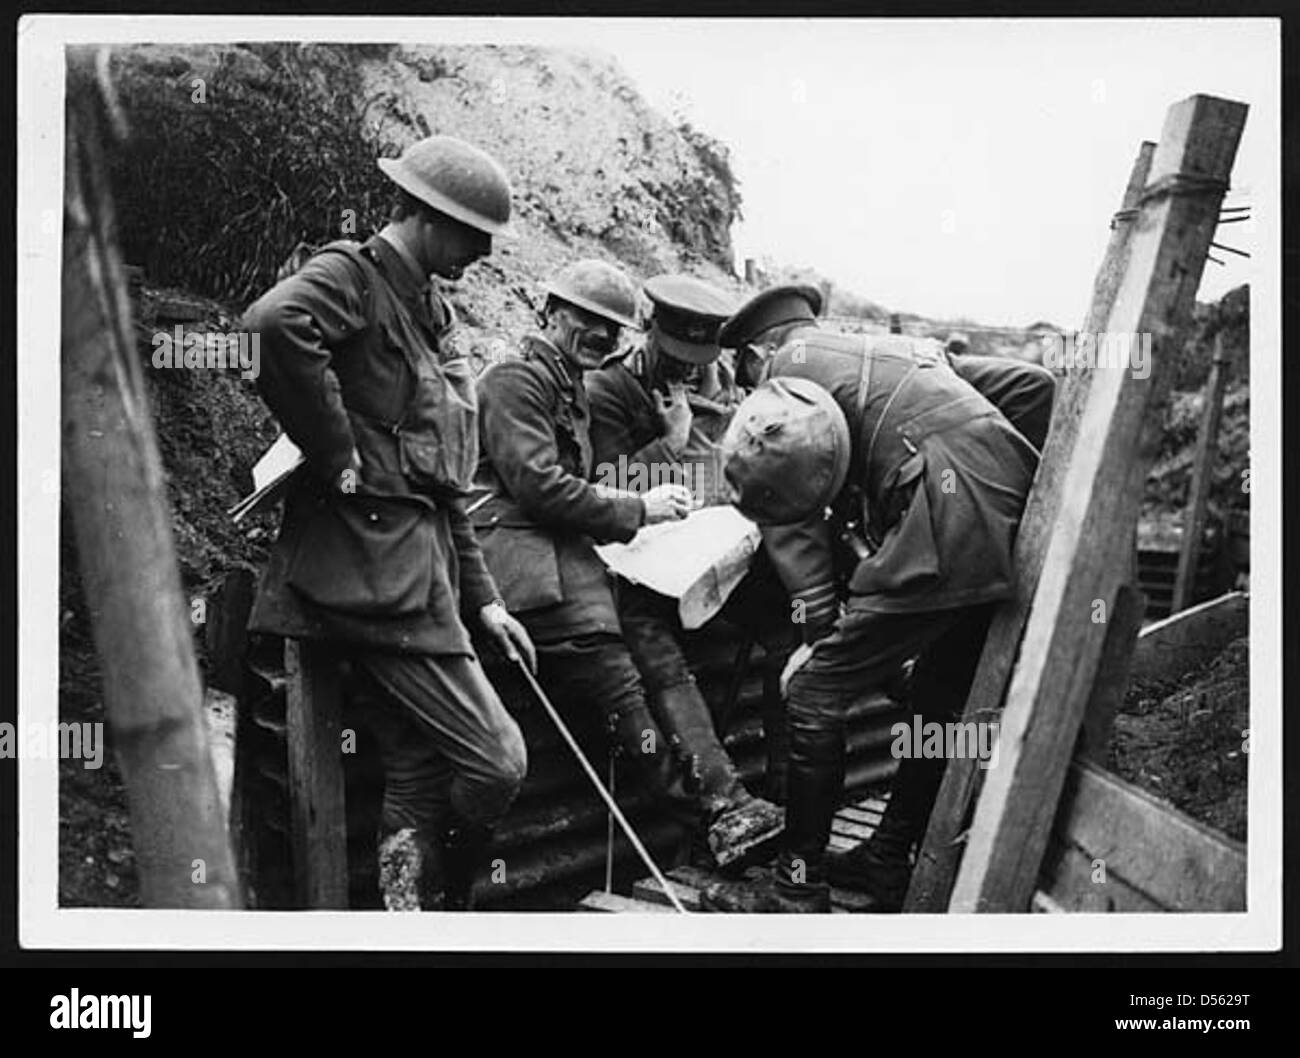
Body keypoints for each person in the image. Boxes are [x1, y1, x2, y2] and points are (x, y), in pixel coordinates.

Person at [243, 134, 534, 911]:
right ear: (432, 218)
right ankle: (447, 910)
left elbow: (444, 489)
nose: (481, 254)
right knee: (498, 760)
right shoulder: (353, 276)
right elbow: (272, 328)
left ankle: (406, 919)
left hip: (418, 573)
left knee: (417, 764)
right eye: (475, 236)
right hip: (366, 571)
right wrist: (335, 450)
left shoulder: (428, 308)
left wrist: (488, 601)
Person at [698, 286, 1055, 912]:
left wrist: (816, 642)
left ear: (758, 353)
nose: (745, 390)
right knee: (939, 690)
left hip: (943, 527)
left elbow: (796, 526)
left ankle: (797, 887)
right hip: (1001, 518)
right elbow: (1032, 387)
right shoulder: (892, 351)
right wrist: (1026, 495)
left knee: (813, 693)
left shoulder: (784, 385)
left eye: (742, 373)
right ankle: (889, 855)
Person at [471, 261, 781, 866]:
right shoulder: (523, 380)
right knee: (619, 669)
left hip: (581, 552)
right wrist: (661, 460)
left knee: (659, 642)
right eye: (587, 321)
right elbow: (548, 487)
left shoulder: (568, 384)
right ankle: (711, 812)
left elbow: (596, 484)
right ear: (552, 312)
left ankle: (727, 804)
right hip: (526, 558)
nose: (601, 337)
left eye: (611, 328)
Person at [583, 274, 786, 850]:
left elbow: (725, 474)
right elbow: (599, 488)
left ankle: (788, 796)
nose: (689, 371)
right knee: (650, 638)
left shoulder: (716, 380)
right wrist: (668, 443)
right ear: (650, 332)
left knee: (785, 625)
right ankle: (727, 802)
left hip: (709, 545)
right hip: (635, 559)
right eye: (677, 357)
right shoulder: (607, 390)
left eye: (699, 358)